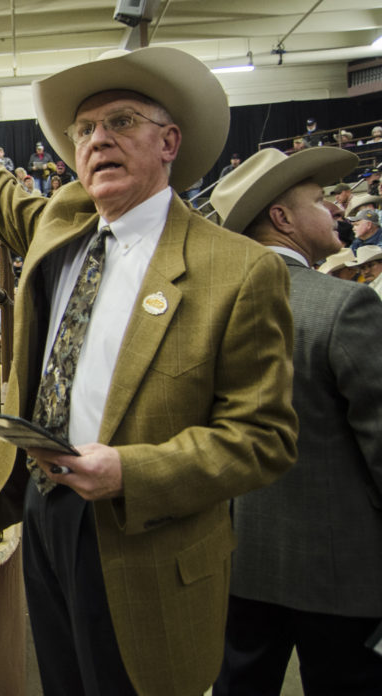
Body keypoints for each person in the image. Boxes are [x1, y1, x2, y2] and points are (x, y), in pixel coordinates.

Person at [0, 44, 297, 695]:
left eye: (120, 122)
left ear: (170, 140)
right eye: (84, 130)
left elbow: (265, 440)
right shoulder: (61, 223)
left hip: (144, 528)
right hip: (45, 502)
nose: (96, 140)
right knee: (63, 678)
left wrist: (129, 471)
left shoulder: (238, 268)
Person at [210, 144, 382, 694]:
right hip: (341, 572)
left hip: (236, 563)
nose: (336, 208)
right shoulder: (343, 306)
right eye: (320, 199)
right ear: (282, 219)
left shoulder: (206, 311)